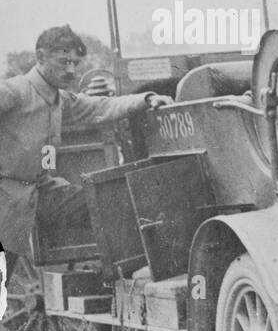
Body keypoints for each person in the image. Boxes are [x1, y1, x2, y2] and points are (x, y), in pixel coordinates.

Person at [1, 26, 170, 267]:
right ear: (40, 57)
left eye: (76, 63)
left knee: (102, 203)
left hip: (41, 191)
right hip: (6, 199)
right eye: (64, 62)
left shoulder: (59, 99)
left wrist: (147, 99)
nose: (71, 70)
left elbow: (100, 106)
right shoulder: (15, 92)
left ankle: (124, 272)